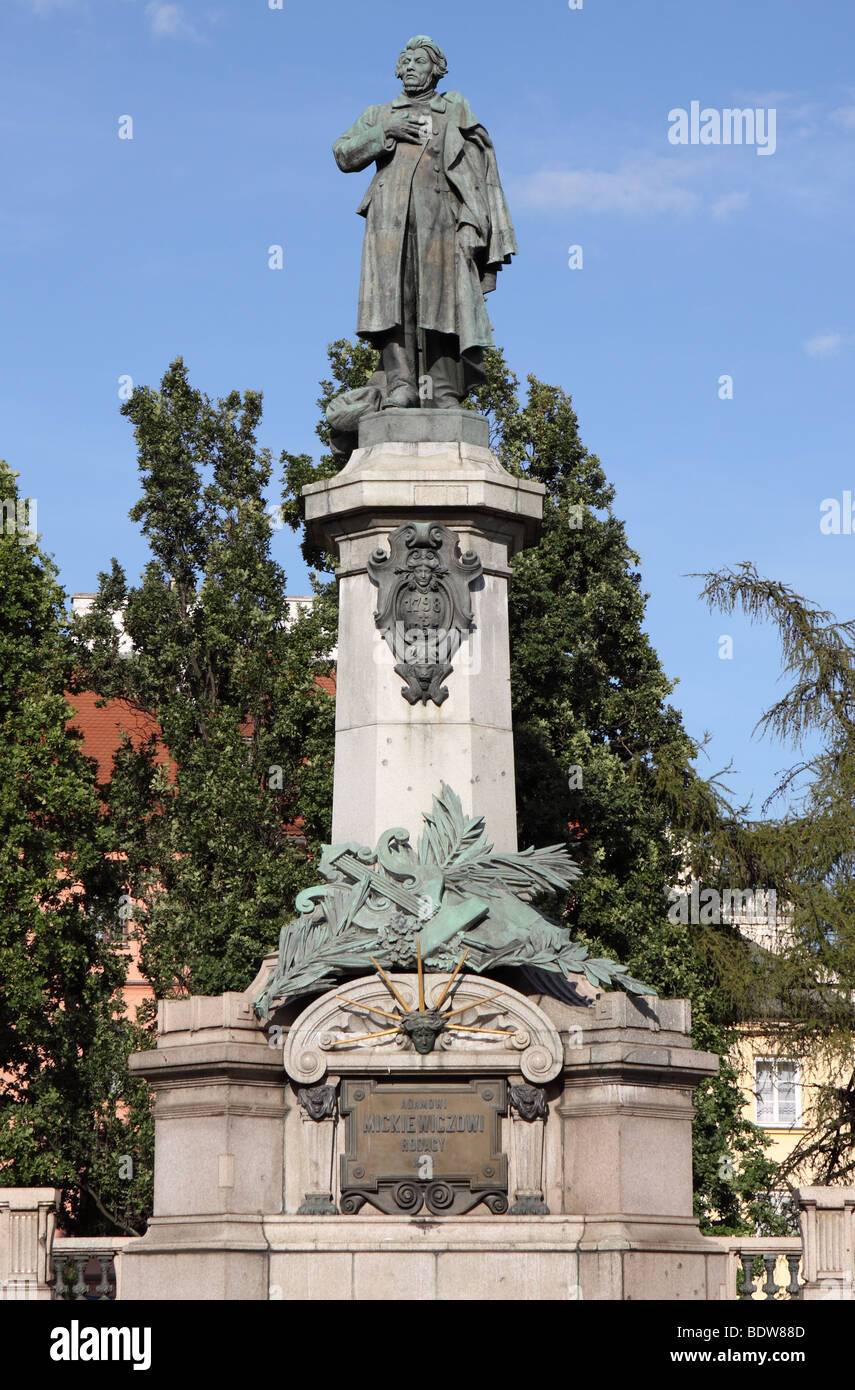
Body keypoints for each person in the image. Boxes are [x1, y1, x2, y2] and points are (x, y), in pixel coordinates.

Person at [333, 36, 517, 410]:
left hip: (441, 224)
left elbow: (476, 172)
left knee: (443, 304)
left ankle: (442, 392)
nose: (412, 66)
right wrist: (385, 134)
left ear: (437, 70)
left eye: (421, 60)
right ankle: (402, 384)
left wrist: (472, 223)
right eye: (407, 60)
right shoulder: (380, 114)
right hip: (388, 224)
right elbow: (343, 154)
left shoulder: (454, 112)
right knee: (393, 304)